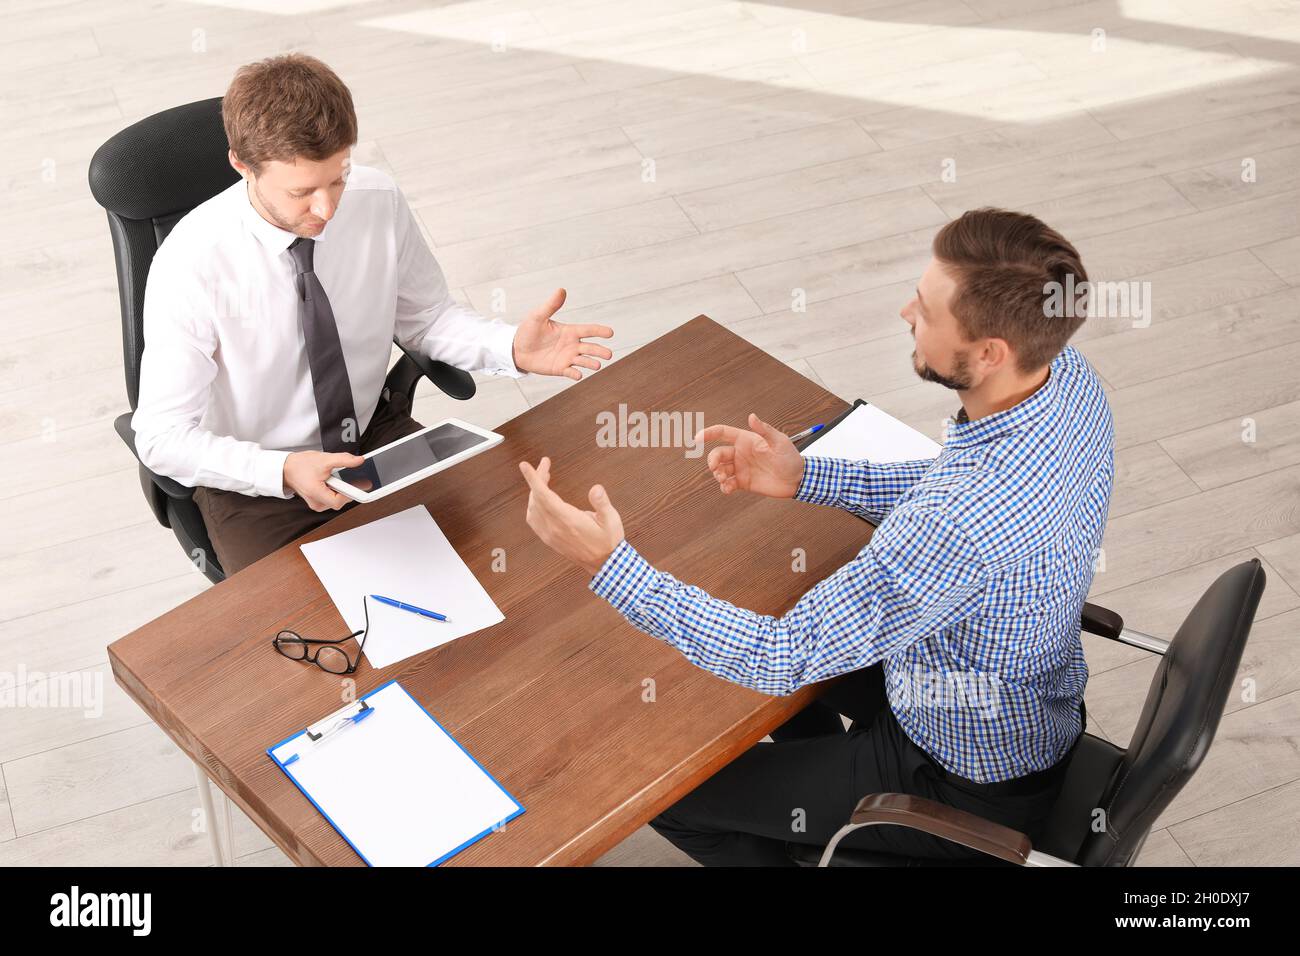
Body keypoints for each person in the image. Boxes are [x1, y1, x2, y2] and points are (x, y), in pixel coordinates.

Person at [516, 207, 1114, 865]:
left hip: (958, 780)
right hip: (1008, 697)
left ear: (989, 353)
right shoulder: (1066, 379)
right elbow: (951, 477)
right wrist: (805, 475)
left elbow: (782, 656)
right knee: (767, 605)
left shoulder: (956, 525)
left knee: (658, 793)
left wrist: (609, 563)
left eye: (927, 309)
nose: (905, 314)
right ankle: (811, 782)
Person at [131, 53, 613, 574]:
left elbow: (426, 320)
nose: (327, 209)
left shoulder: (375, 198)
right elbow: (161, 437)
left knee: (498, 562)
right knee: (294, 636)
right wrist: (285, 470)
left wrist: (508, 347)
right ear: (243, 166)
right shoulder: (190, 264)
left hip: (370, 441)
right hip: (259, 478)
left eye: (337, 178)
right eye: (301, 192)